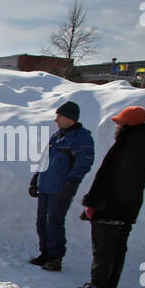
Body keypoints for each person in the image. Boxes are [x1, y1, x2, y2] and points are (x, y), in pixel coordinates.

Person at [74, 105, 145, 288]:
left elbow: (106, 177)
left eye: (120, 123)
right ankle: (110, 284)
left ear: (127, 125)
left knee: (103, 247)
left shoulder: (124, 145)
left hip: (110, 205)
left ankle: (98, 284)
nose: (117, 126)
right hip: (129, 206)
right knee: (119, 247)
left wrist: (92, 201)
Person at [28, 100, 94, 272]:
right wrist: (36, 179)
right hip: (45, 186)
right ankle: (45, 253)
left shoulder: (81, 137)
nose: (56, 120)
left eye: (59, 116)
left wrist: (71, 184)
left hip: (60, 188)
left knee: (54, 223)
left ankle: (55, 257)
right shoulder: (57, 136)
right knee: (41, 222)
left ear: (69, 118)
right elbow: (45, 159)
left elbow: (84, 162)